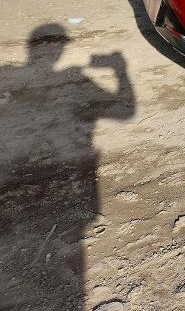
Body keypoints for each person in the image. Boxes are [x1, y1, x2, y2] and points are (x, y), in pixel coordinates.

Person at [0, 24, 134, 311]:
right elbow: (125, 110)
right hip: (66, 189)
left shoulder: (10, 76)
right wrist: (120, 70)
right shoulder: (74, 79)